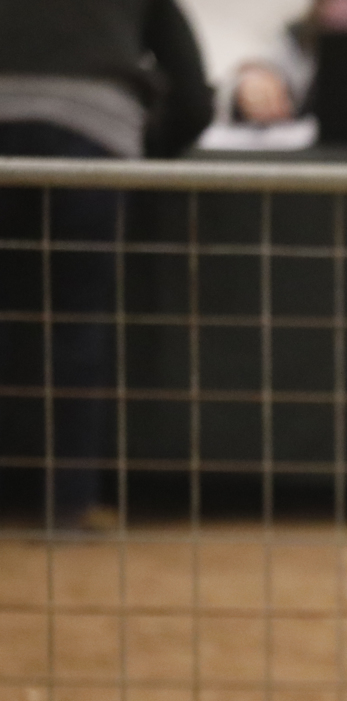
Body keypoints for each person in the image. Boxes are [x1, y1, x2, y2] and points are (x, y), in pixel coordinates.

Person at [0, 0, 212, 531]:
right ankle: (68, 504)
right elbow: (193, 97)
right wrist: (149, 152)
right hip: (92, 134)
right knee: (76, 326)